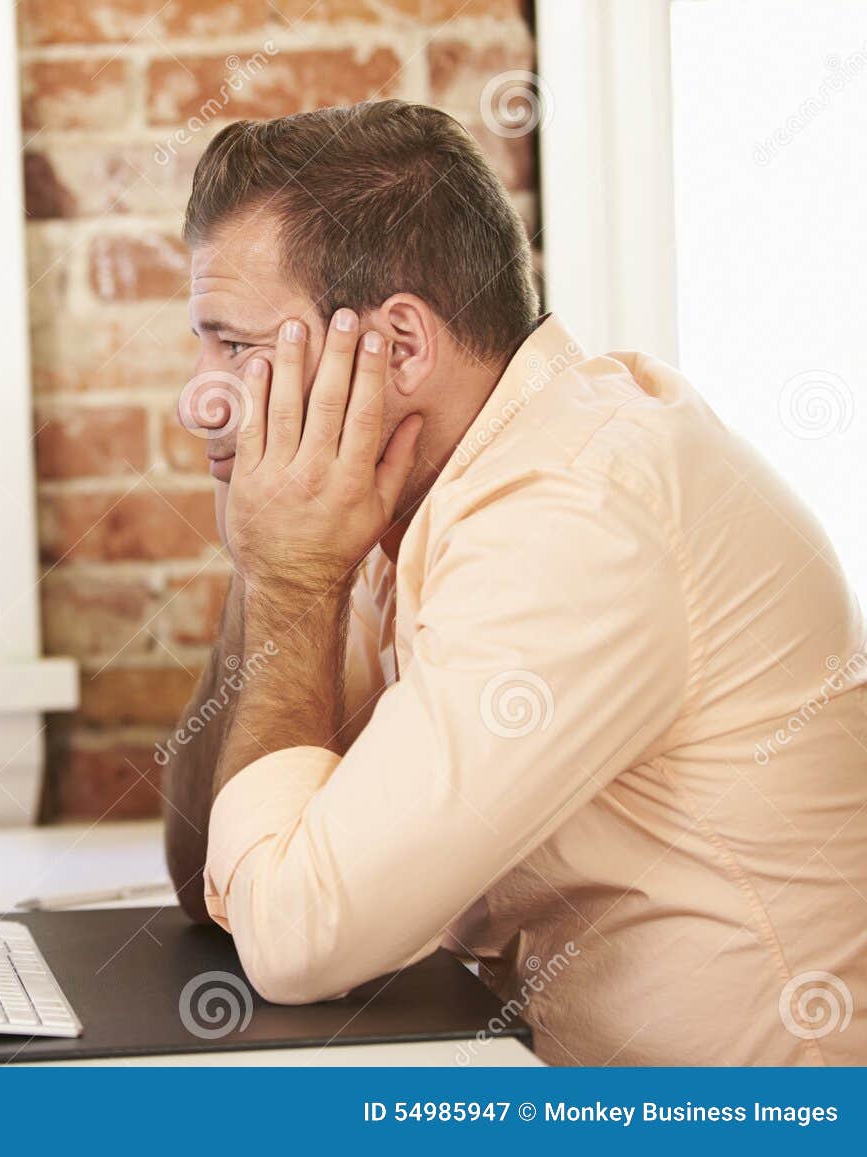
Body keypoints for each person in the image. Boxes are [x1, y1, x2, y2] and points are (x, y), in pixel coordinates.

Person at [162, 99, 867, 1065]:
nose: (195, 399)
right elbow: (216, 876)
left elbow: (293, 938)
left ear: (400, 346)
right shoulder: (411, 503)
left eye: (237, 346)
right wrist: (268, 566)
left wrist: (290, 576)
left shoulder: (576, 508)